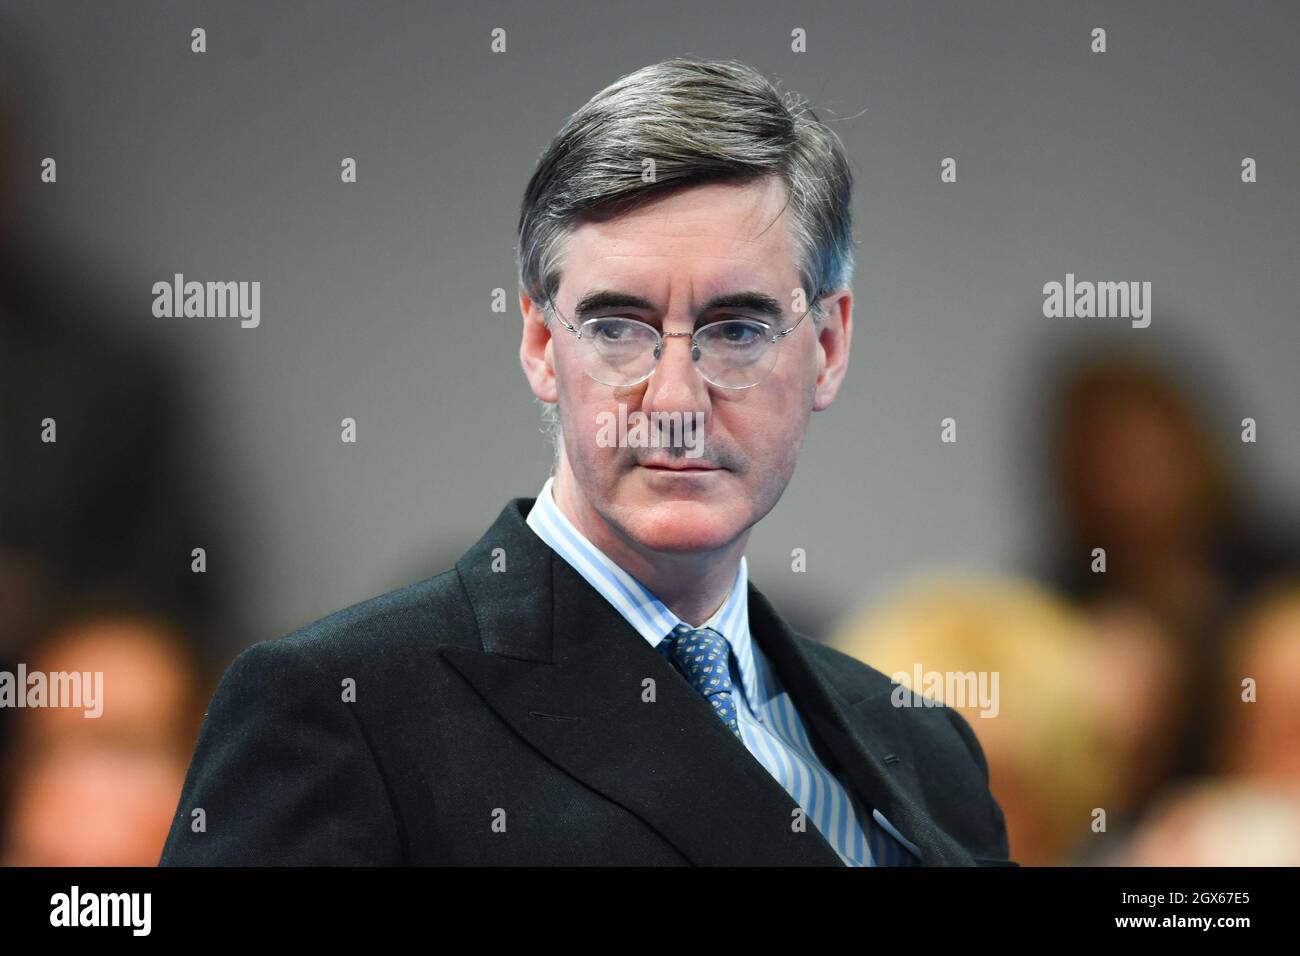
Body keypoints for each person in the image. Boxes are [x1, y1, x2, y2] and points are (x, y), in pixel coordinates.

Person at [160, 57, 1012, 866]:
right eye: (617, 328)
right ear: (540, 342)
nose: (675, 403)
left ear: (826, 346)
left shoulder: (927, 752)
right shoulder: (342, 708)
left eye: (738, 330)